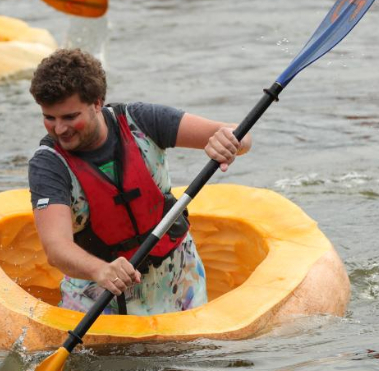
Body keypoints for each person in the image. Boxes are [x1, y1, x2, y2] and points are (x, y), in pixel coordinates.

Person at [27, 49, 252, 316]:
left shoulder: (141, 121)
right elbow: (56, 249)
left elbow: (241, 134)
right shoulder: (48, 164)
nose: (59, 129)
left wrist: (230, 141)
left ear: (97, 103)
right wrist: (100, 270)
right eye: (49, 118)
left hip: (179, 282)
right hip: (99, 292)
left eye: (69, 117)